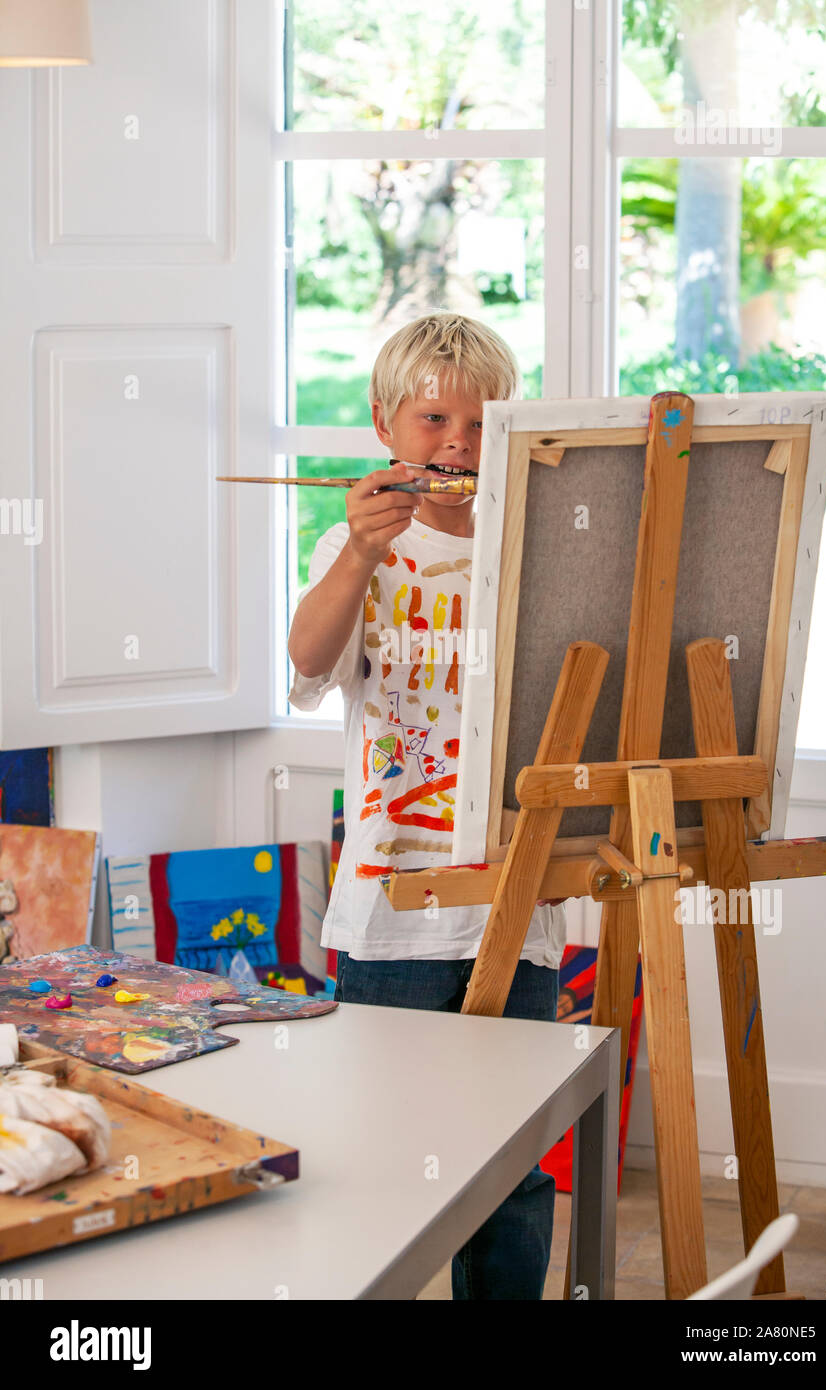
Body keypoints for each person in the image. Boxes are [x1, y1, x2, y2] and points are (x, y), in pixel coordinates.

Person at [288, 311, 566, 1299]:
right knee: (382, 1153)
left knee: (513, 1166)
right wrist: (359, 556)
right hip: (388, 907)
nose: (459, 442)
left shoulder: (535, 544)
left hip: (516, 901)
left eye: (484, 423)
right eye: (434, 418)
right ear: (383, 424)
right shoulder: (354, 543)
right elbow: (306, 668)